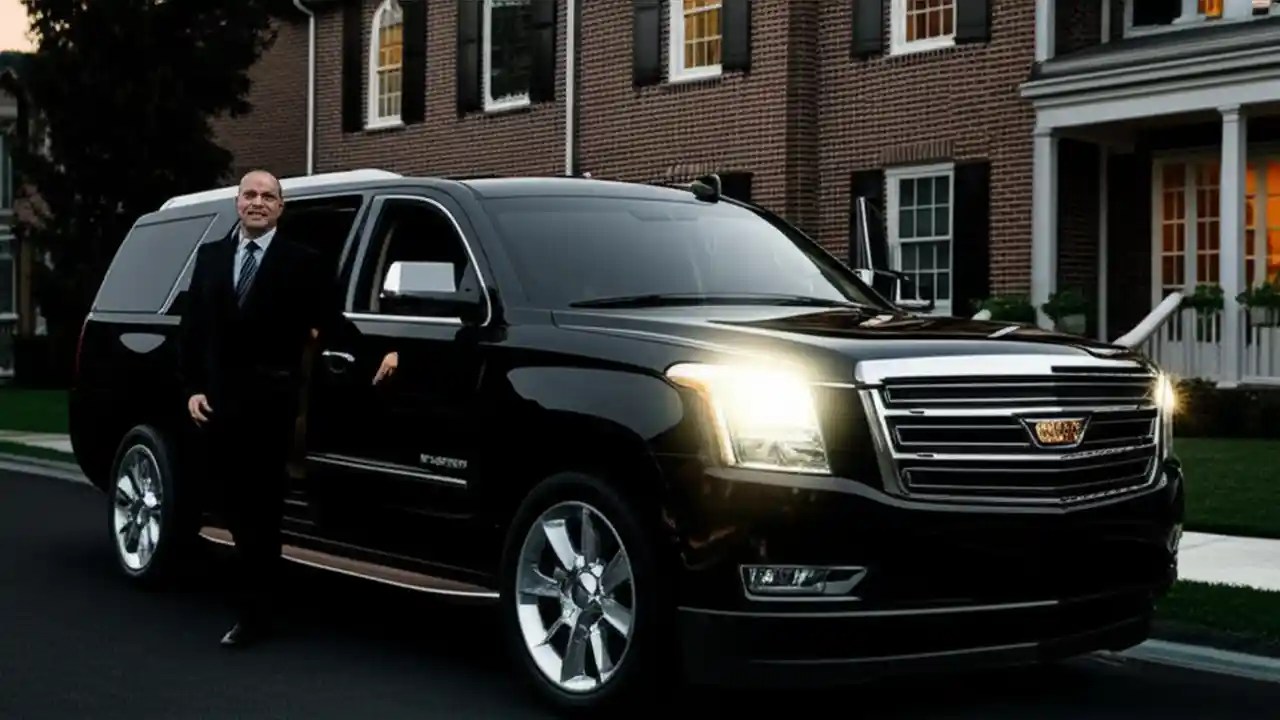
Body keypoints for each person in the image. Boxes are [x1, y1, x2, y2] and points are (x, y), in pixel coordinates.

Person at [178, 169, 395, 647]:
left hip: (270, 405)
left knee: (261, 510)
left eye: (268, 197)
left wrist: (377, 354)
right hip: (217, 405)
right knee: (231, 506)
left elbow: (332, 322)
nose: (257, 203)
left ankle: (255, 614)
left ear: (280, 208)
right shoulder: (211, 257)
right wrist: (192, 387)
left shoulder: (303, 262)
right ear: (237, 202)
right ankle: (256, 594)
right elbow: (193, 327)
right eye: (249, 195)